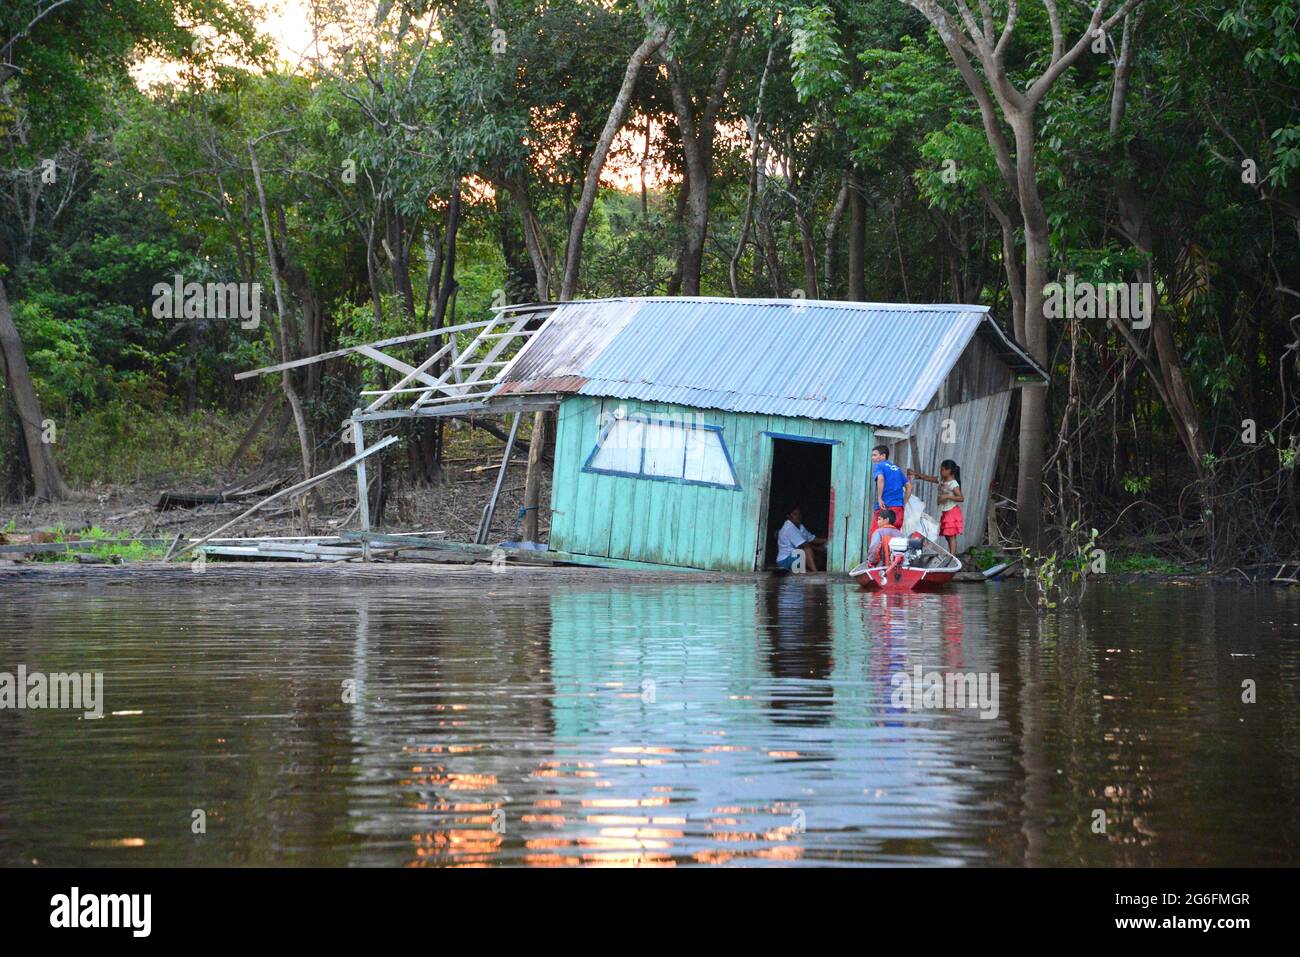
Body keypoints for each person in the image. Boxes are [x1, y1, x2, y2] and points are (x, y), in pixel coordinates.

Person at [908, 459, 964, 553]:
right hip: (946, 511)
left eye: (942, 470)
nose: (940, 471)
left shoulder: (953, 484)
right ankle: (953, 554)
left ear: (949, 470)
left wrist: (947, 496)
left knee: (951, 536)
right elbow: (927, 477)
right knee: (948, 536)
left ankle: (953, 556)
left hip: (952, 512)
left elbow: (961, 498)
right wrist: (914, 473)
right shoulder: (942, 480)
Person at [868, 445, 911, 540]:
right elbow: (909, 486)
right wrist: (904, 503)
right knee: (894, 539)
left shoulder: (879, 465)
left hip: (885, 507)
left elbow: (880, 478)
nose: (873, 458)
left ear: (883, 456)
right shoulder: (897, 469)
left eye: (875, 455)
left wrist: (879, 498)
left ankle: (878, 555)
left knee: (876, 536)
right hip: (898, 509)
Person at [775, 506, 826, 572]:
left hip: (796, 558)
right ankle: (815, 572)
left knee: (816, 557)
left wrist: (829, 540)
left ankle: (811, 571)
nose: (798, 516)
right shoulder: (789, 528)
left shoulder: (800, 526)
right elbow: (804, 545)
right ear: (788, 516)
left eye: (799, 514)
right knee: (807, 550)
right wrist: (820, 549)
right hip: (785, 560)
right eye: (795, 514)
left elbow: (812, 539)